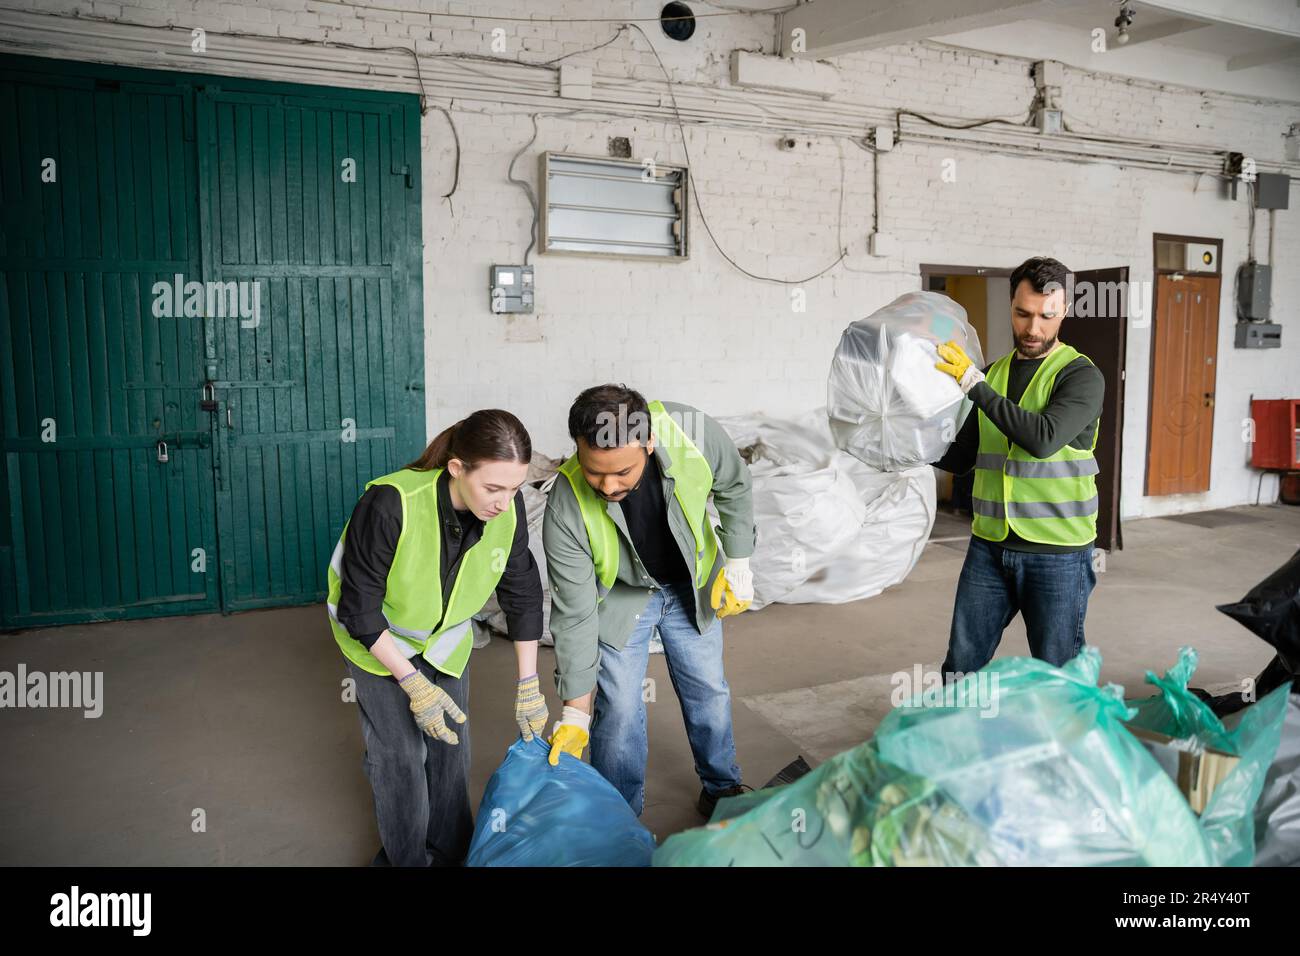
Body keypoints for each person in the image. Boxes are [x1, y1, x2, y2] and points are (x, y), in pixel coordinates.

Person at [326, 409, 545, 866]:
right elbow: (359, 609)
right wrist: (411, 682)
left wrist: (529, 684)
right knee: (401, 757)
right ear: (457, 468)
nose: (504, 502)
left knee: (451, 751)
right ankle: (405, 860)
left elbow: (521, 592)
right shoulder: (391, 502)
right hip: (378, 644)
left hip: (445, 644)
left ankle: (451, 851)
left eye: (515, 488)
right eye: (493, 487)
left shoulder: (507, 509)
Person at [542, 384, 757, 818]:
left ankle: (721, 787)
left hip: (690, 585)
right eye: (594, 471)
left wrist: (738, 562)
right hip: (623, 599)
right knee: (618, 706)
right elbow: (575, 614)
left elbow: (734, 484)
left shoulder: (690, 431)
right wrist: (575, 709)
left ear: (649, 441)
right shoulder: (565, 504)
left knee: (707, 689)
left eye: (622, 472)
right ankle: (617, 814)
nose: (607, 485)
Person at [932, 256, 1105, 677]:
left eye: (1047, 316)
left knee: (1057, 671)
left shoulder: (1082, 377)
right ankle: (958, 740)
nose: (1033, 329)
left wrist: (976, 387)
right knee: (961, 664)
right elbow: (961, 455)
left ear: (1064, 311)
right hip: (989, 546)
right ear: (1011, 305)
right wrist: (901, 443)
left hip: (1057, 552)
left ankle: (1065, 744)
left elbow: (1042, 440)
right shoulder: (994, 373)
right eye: (1023, 314)